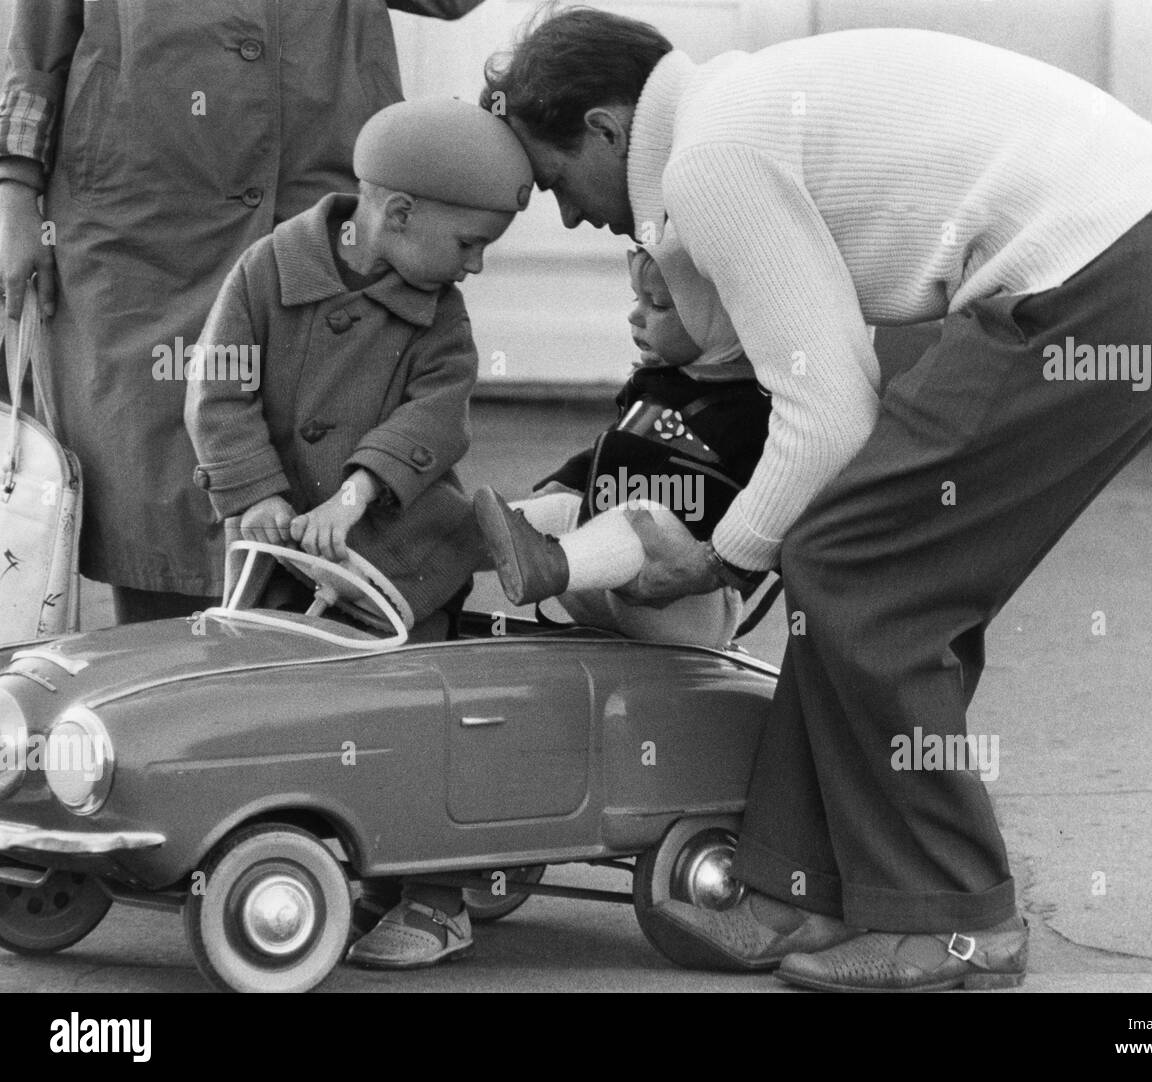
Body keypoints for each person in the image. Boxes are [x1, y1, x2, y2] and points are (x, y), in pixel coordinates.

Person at [480, 9, 1152, 991]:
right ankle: (794, 884)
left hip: (1107, 274)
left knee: (856, 565)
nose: (566, 215)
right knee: (874, 564)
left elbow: (829, 403)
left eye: (551, 181)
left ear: (601, 127)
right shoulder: (734, 108)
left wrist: (723, 553)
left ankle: (954, 918)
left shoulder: (709, 155)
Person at [185, 97, 533, 971]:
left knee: (417, 718)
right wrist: (256, 493)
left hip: (403, 558)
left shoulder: (440, 311)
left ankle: (437, 895)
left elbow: (439, 414)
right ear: (399, 213)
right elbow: (219, 389)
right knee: (276, 707)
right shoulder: (267, 271)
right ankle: (288, 851)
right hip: (284, 555)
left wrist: (355, 493)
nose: (478, 267)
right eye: (470, 244)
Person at [0, 0, 485, 624]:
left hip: (317, 201)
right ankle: (168, 698)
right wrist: (14, 187)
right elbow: (39, 34)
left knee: (336, 514)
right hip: (140, 225)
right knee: (159, 512)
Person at [474, 246, 770, 649]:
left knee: (641, 515)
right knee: (565, 511)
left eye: (659, 305)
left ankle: (550, 564)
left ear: (720, 324)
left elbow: (774, 503)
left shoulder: (754, 407)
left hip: (684, 603)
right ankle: (452, 547)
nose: (635, 315)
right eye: (637, 298)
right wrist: (564, 482)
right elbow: (616, 447)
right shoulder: (654, 384)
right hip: (608, 585)